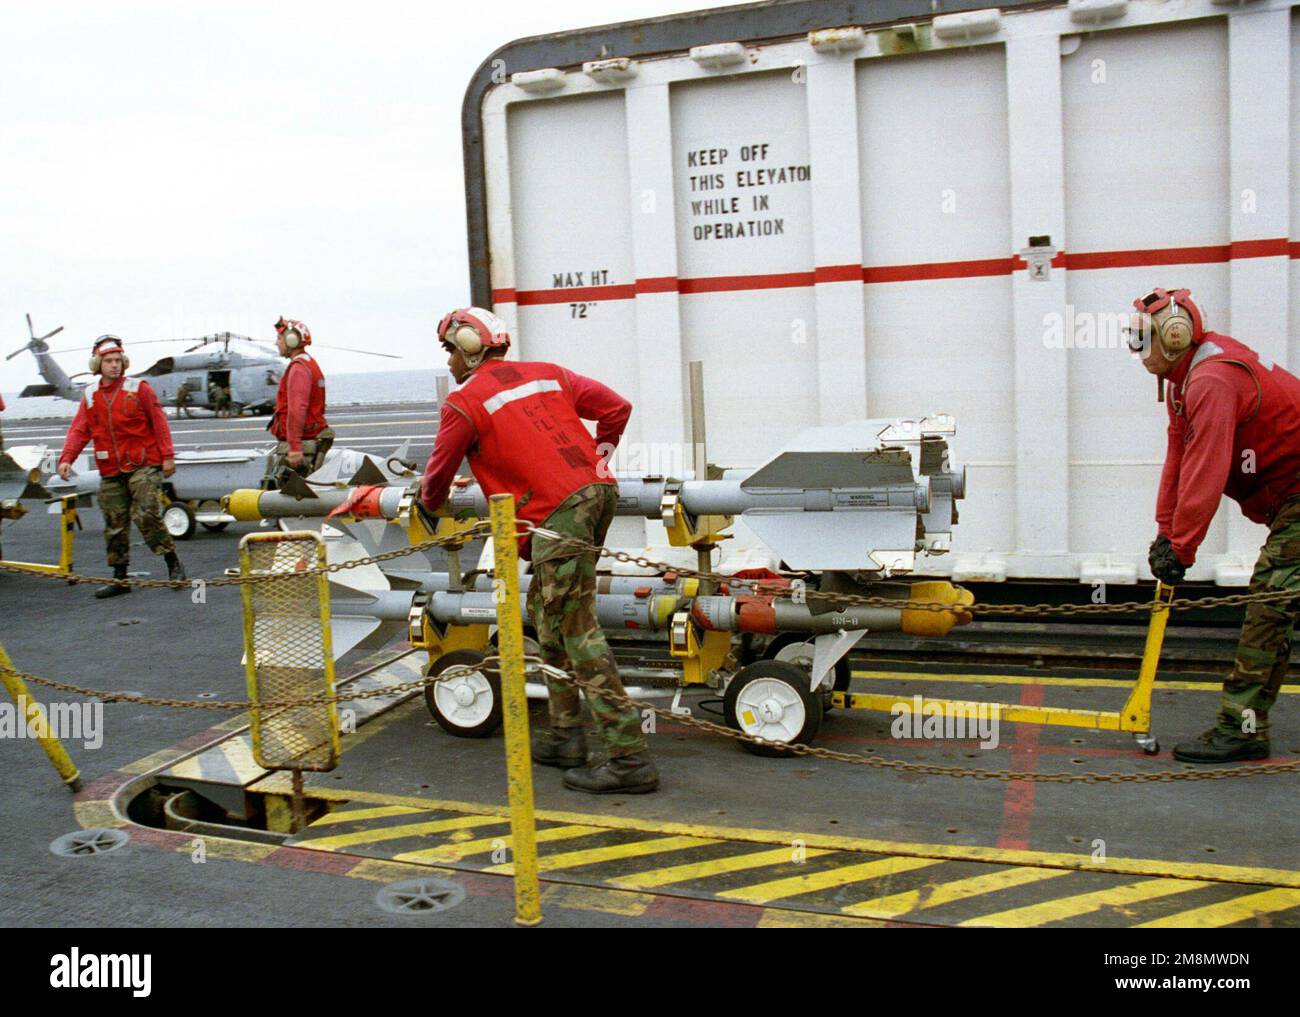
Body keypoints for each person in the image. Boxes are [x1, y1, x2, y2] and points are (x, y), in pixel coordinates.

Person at [419, 306, 657, 794]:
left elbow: (435, 482)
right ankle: (565, 736)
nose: (448, 364)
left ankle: (629, 757)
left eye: (449, 351)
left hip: (556, 513)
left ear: (469, 346)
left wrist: (428, 504)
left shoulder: (464, 403)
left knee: (575, 629)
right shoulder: (550, 375)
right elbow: (616, 408)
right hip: (595, 494)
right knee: (548, 618)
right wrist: (601, 453)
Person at [1131, 287, 1300, 762]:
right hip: (1290, 497)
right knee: (1280, 600)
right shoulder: (1185, 380)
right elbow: (1178, 457)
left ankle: (1243, 728)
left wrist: (1182, 548)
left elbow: (1206, 467)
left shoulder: (1211, 381)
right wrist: (1166, 531)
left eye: (1142, 339)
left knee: (1271, 601)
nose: (1137, 351)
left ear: (1175, 335)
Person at [57, 335, 185, 598]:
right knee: (114, 521)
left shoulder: (140, 388)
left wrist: (167, 456)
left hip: (143, 465)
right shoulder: (90, 395)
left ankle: (173, 562)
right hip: (111, 469)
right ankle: (120, 577)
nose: (114, 365)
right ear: (98, 364)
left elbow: (159, 422)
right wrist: (67, 458)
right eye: (109, 361)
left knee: (146, 513)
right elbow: (80, 429)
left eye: (118, 360)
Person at [266, 317, 332, 485]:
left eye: (279, 339)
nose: (276, 343)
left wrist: (294, 448)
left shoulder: (298, 369)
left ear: (291, 340)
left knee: (289, 496)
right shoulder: (308, 364)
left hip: (303, 444)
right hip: (309, 440)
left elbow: (297, 409)